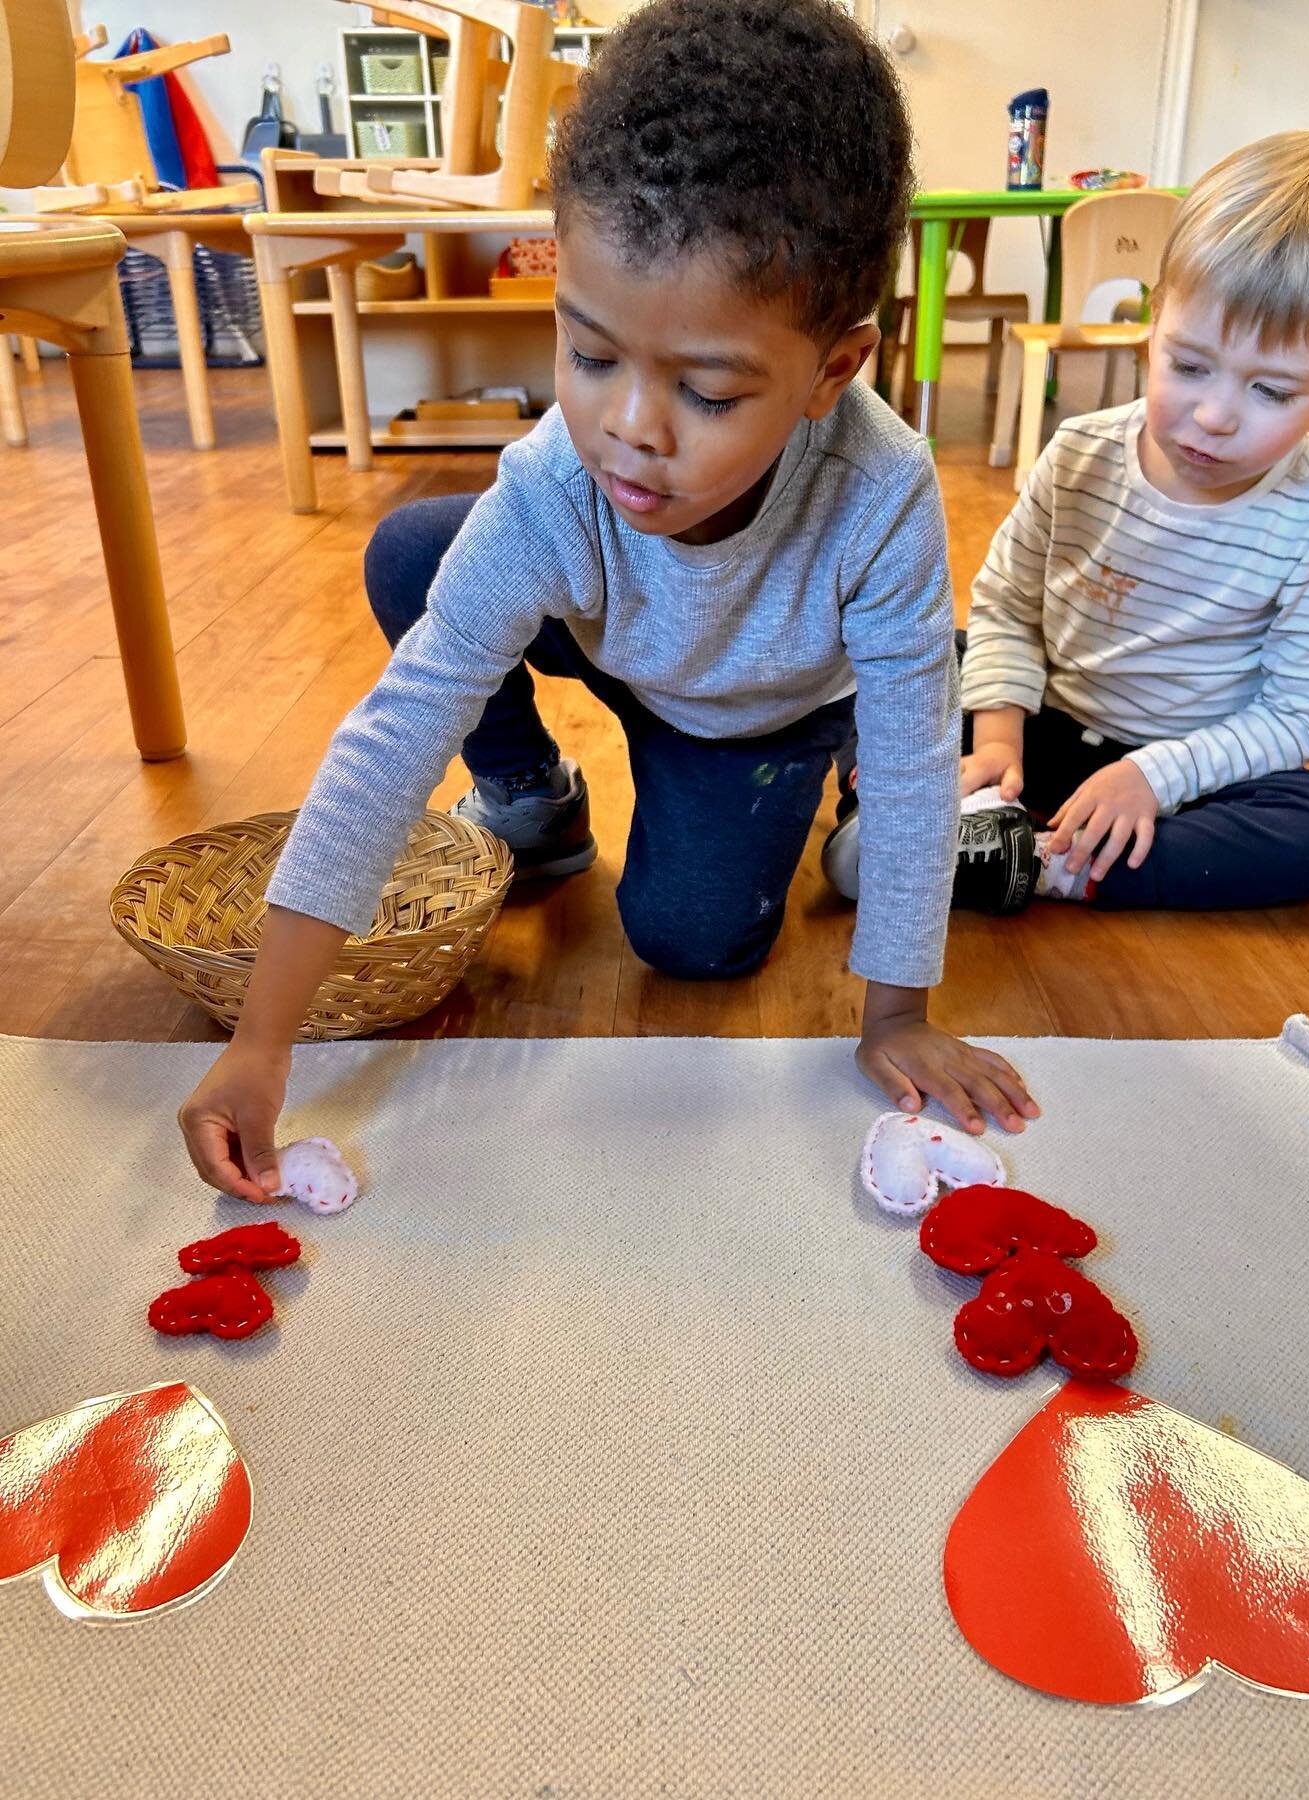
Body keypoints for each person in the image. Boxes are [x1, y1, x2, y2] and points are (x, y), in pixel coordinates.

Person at [178, 0, 1038, 1201]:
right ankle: (535, 798)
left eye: (706, 390)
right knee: (420, 557)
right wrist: (261, 1044)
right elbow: (396, 735)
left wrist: (897, 1014)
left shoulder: (881, 490)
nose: (628, 430)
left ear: (831, 371)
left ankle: (852, 722)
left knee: (693, 944)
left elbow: (915, 773)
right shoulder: (558, 481)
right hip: (623, 647)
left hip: (766, 707)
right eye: (589, 356)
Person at [824, 130, 1309, 914]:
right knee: (895, 654)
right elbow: (1008, 606)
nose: (1212, 416)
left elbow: (1298, 715)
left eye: (1272, 393)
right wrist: (1000, 735)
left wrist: (1155, 776)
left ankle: (1036, 863)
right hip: (1044, 727)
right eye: (1187, 365)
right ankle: (909, 818)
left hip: (1183, 781)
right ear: (1154, 316)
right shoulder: (1081, 453)